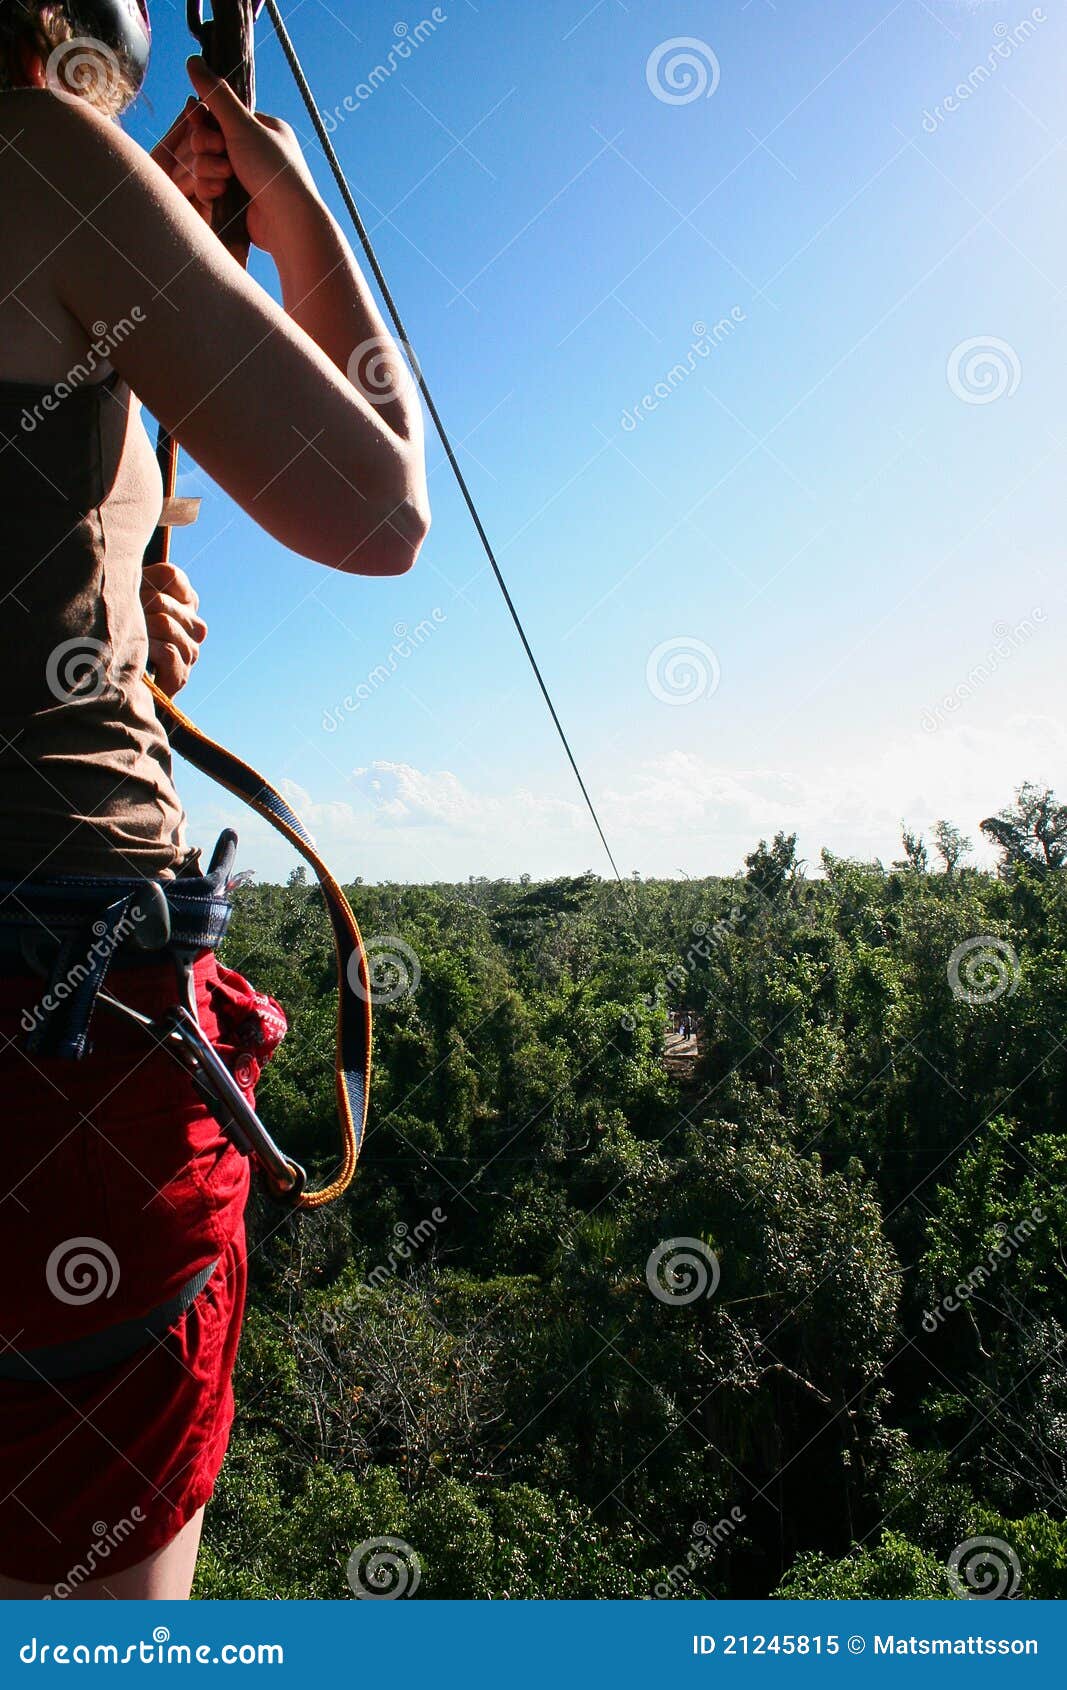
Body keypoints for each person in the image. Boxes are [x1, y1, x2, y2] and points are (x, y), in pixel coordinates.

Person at [0, 0, 429, 1600]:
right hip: (58, 1028)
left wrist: (104, 594)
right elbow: (382, 507)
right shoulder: (33, 148)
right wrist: (286, 195)